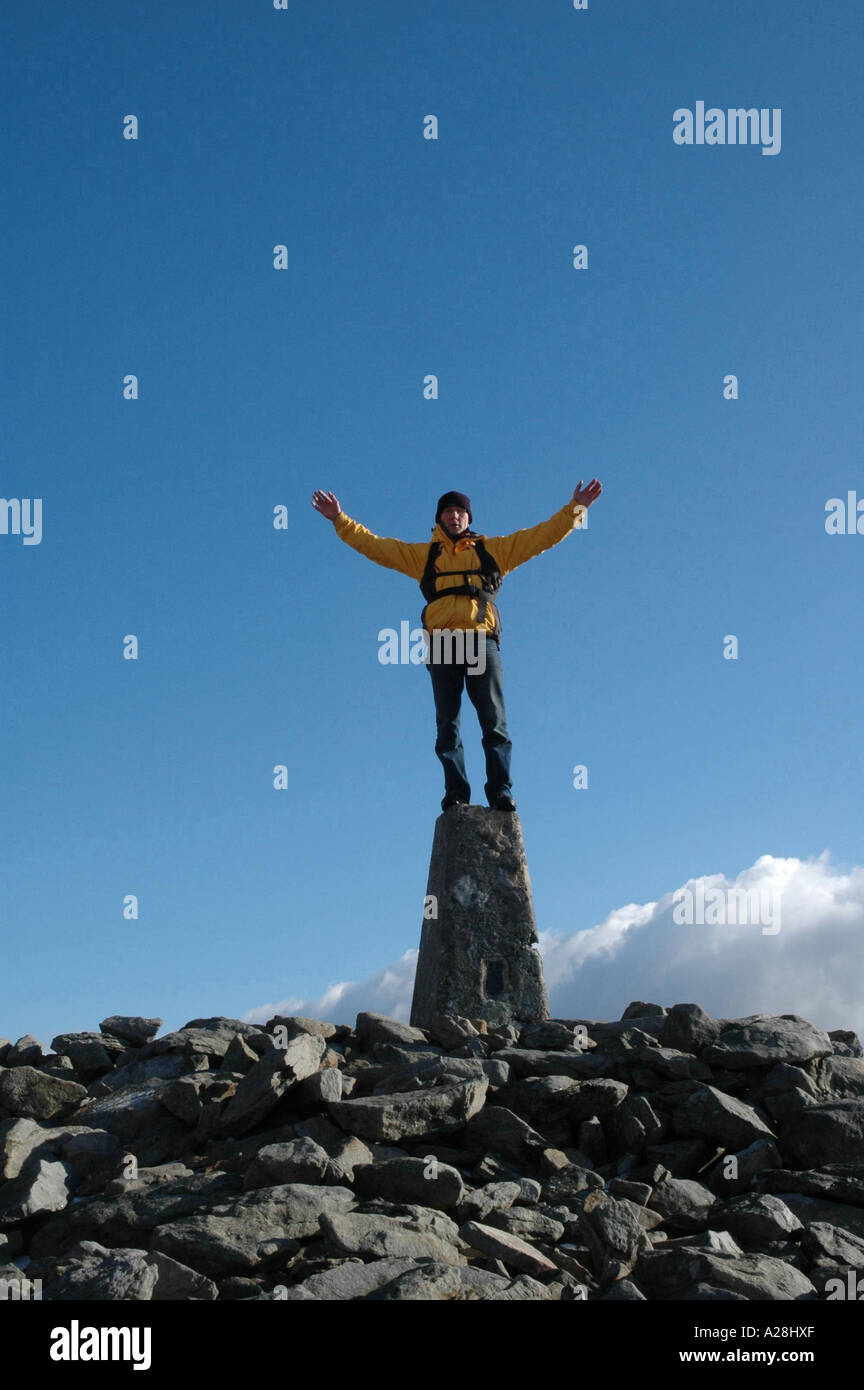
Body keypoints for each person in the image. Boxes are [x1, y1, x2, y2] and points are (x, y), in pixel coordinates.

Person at [311, 482, 603, 812]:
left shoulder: (494, 550)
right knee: (447, 725)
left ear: (468, 518)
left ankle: (500, 791)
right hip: (442, 644)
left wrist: (577, 509)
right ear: (440, 519)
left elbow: (542, 536)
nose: (455, 517)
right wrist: (339, 519)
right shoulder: (424, 556)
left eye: (460, 512)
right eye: (449, 512)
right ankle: (456, 794)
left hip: (481, 640)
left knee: (494, 720)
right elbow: (376, 547)